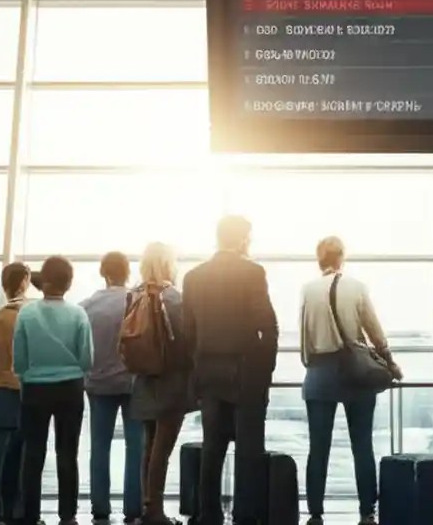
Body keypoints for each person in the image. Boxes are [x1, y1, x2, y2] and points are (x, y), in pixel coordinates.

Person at [182, 215, 279, 525]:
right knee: (248, 449)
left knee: (212, 446)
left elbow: (188, 331)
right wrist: (264, 372)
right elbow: (268, 326)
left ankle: (208, 514)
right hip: (244, 372)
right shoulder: (252, 272)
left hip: (208, 372)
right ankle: (245, 515)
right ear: (241, 239)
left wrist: (196, 369)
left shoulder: (194, 276)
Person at [300, 236, 402, 525]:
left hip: (319, 373)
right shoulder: (357, 288)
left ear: (319, 259)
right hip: (356, 375)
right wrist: (390, 362)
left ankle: (316, 513)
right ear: (341, 257)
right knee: (362, 445)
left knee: (318, 448)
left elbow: (305, 337)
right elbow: (374, 332)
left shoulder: (308, 290)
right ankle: (367, 511)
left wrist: (313, 364)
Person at [14, 256, 93, 525]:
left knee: (33, 452)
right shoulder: (78, 314)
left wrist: (29, 374)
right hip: (70, 389)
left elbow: (19, 360)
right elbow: (87, 360)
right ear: (69, 283)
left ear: (43, 282)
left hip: (35, 389)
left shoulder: (26, 313)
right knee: (67, 452)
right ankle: (68, 515)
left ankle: (31, 515)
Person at [129, 243, 192, 525]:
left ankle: (147, 505)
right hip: (172, 380)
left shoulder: (134, 294)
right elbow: (184, 340)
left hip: (143, 377)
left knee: (149, 445)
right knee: (162, 448)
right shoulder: (174, 297)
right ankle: (155, 511)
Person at [81, 251, 144, 525]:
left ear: (103, 273)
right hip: (133, 383)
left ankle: (100, 506)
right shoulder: (138, 302)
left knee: (100, 446)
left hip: (98, 385)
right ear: (127, 272)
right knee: (136, 446)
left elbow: (82, 351)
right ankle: (134, 507)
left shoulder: (87, 306)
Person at [0, 262, 31, 525]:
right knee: (22, 453)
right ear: (24, 281)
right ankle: (19, 508)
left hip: (0, 387)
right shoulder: (31, 315)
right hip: (24, 389)